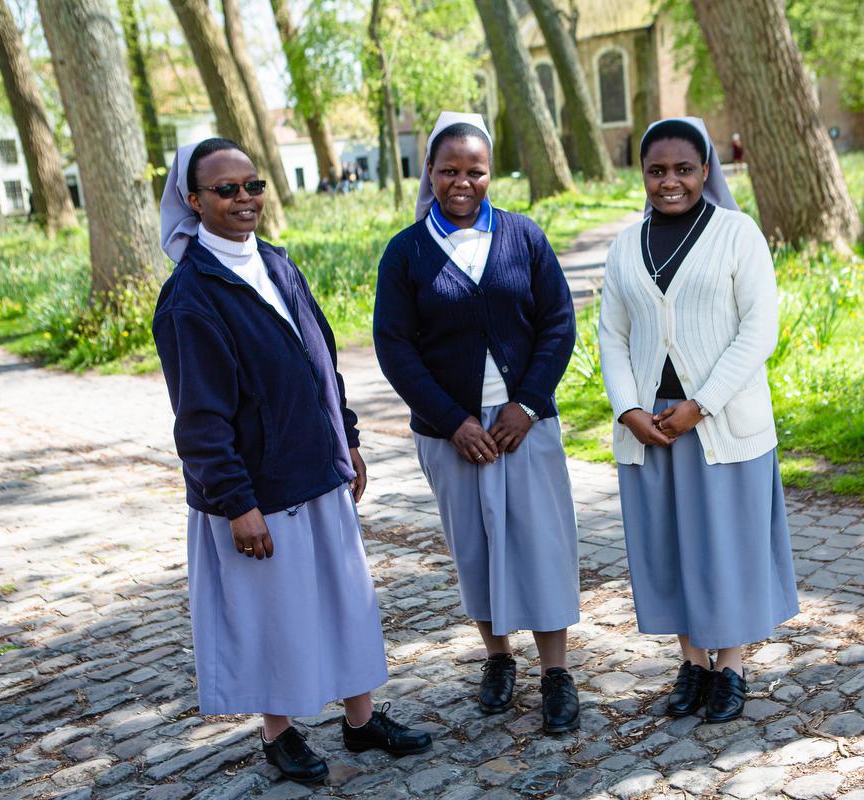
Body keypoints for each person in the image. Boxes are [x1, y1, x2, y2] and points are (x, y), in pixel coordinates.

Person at [152, 137, 432, 783]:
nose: (244, 198)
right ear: (193, 201)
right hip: (261, 492)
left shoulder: (277, 264)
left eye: (253, 185)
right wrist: (237, 504)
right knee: (277, 621)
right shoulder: (192, 295)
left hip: (319, 471)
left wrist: (350, 438)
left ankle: (361, 722)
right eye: (226, 190)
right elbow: (199, 419)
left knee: (346, 605)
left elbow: (320, 362)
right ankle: (280, 737)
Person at [374, 111, 582, 734]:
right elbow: (395, 347)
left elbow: (558, 323)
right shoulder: (407, 252)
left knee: (542, 543)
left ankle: (555, 672)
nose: (462, 182)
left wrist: (527, 402)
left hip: (525, 423)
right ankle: (497, 659)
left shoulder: (524, 237)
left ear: (491, 174)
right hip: (449, 432)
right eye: (448, 171)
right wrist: (451, 420)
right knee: (473, 546)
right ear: (429, 174)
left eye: (475, 171)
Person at [598, 117, 799, 724]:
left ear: (706, 170)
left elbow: (758, 330)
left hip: (719, 423)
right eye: (657, 171)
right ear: (643, 175)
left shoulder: (738, 234)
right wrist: (630, 409)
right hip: (651, 428)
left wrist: (700, 403)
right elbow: (612, 333)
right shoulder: (625, 245)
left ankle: (731, 665)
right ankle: (691, 662)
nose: (670, 182)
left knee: (727, 548)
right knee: (671, 547)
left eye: (683, 169)